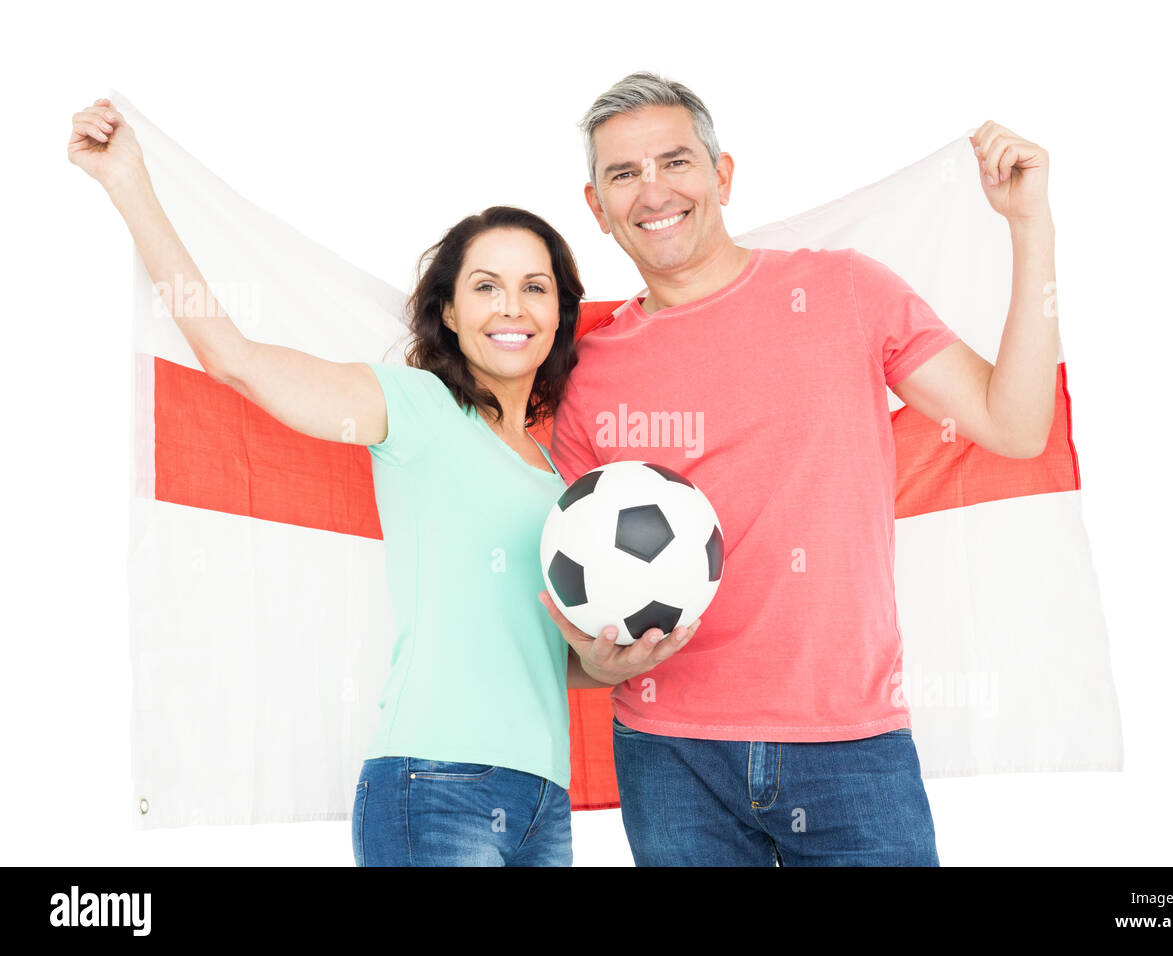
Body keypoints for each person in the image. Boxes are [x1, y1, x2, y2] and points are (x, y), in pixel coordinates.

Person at [67, 97, 699, 867]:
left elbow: (538, 651)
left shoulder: (561, 480)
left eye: (536, 288)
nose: (513, 307)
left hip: (542, 803)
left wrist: (609, 662)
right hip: (434, 786)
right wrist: (127, 182)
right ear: (451, 312)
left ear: (561, 316)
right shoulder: (413, 406)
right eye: (487, 287)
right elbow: (232, 356)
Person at [540, 73, 1059, 866]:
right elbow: (573, 608)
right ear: (596, 206)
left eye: (675, 162)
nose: (653, 191)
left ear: (722, 175)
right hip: (669, 755)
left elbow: (1016, 426)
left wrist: (1029, 223)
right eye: (624, 174)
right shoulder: (586, 371)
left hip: (851, 746)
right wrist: (596, 663)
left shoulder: (844, 291)